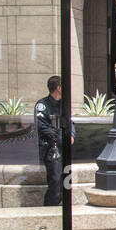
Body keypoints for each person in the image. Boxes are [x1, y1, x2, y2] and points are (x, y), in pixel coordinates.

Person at [35, 75, 75, 206]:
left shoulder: (64, 104)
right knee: (55, 180)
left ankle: (62, 207)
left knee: (65, 181)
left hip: (64, 149)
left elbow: (70, 122)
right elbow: (41, 126)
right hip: (51, 149)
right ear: (58, 88)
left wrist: (71, 135)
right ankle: (50, 208)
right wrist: (61, 137)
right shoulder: (42, 105)